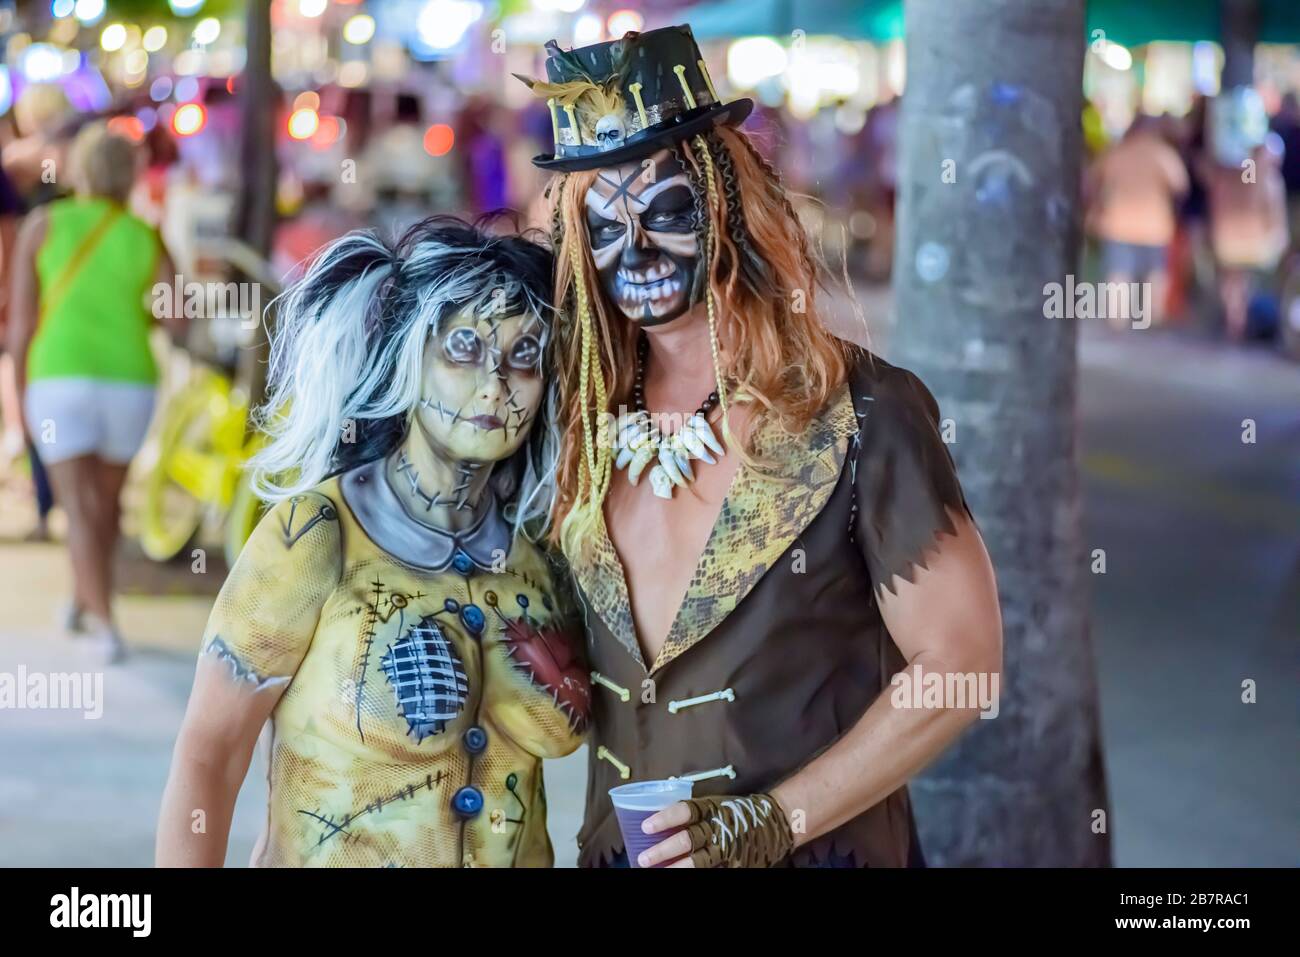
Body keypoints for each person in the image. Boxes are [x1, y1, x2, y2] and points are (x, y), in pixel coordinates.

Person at [518, 24, 1002, 868]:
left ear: (726, 202)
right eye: (604, 226)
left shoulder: (864, 414)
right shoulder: (578, 427)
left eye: (667, 212)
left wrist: (776, 818)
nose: (635, 249)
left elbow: (962, 665)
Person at [156, 217, 590, 867]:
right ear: (408, 357)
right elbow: (209, 755)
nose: (495, 385)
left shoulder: (545, 558)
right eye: (464, 349)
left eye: (524, 356)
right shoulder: (316, 535)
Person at [5, 122, 183, 662]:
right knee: (105, 508)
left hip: (58, 379)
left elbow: (20, 325)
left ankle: (103, 619)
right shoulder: (146, 236)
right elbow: (175, 320)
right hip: (128, 383)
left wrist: (19, 387)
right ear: (131, 175)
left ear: (79, 170)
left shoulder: (43, 224)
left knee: (77, 510)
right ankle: (85, 602)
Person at [1085, 113, 1189, 329]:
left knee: (1119, 273)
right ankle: (1152, 319)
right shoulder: (1162, 154)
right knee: (1155, 274)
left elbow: (1093, 180)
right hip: (1154, 225)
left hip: (1118, 223)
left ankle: (1117, 321)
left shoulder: (1117, 151)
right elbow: (1180, 185)